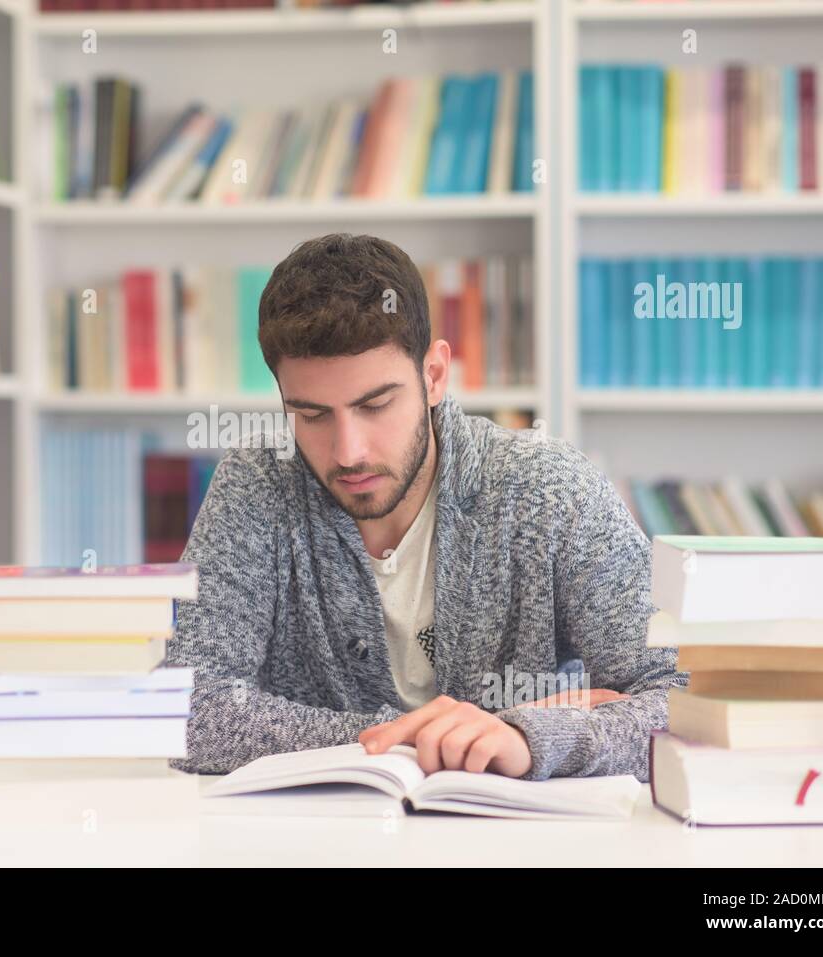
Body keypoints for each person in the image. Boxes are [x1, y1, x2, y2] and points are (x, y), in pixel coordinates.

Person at [166, 233, 687, 780]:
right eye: (312, 415)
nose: (349, 452)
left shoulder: (549, 489)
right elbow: (185, 708)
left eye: (376, 405)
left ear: (434, 375)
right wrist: (433, 736)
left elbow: (687, 698)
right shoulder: (256, 486)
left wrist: (534, 740)